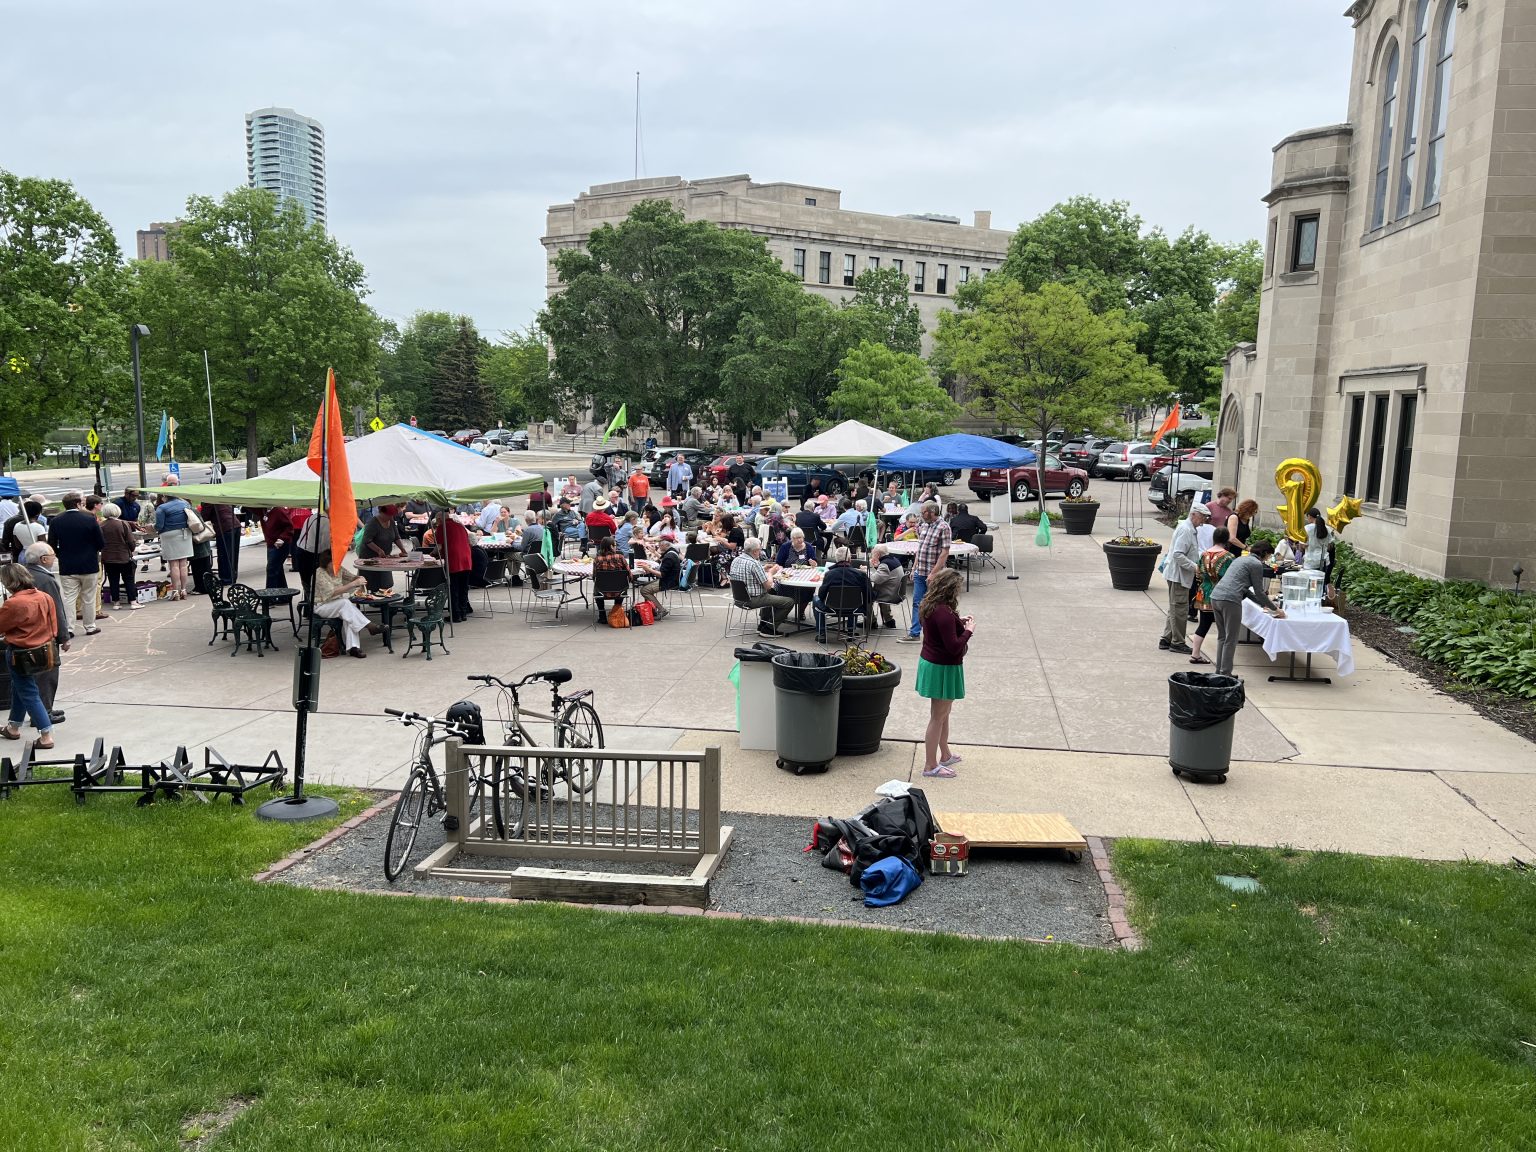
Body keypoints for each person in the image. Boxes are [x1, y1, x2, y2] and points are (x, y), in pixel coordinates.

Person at [914, 567, 971, 779]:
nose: (959, 591)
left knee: (943, 714)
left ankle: (945, 754)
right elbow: (954, 647)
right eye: (957, 588)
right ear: (949, 589)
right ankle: (930, 765)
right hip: (942, 667)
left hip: (932, 663)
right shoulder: (944, 612)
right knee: (938, 716)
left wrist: (959, 622)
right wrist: (968, 631)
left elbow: (942, 630)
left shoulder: (931, 606)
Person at [0, 564, 59, 748]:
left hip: (21, 653)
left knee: (29, 692)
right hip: (44, 650)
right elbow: (54, 624)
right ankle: (13, 727)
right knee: (20, 688)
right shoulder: (44, 596)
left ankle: (46, 735)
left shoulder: (14, 603)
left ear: (8, 582)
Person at [1210, 540, 1284, 677]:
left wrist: (1265, 605)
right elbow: (1259, 591)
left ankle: (1219, 672)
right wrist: (1276, 609)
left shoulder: (1241, 559)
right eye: (1268, 556)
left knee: (1222, 637)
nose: (1268, 559)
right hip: (1230, 600)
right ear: (1265, 554)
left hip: (1216, 597)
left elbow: (1247, 591)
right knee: (1231, 639)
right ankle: (1226, 675)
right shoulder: (1256, 564)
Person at [19, 543, 68, 723]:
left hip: (27, 633)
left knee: (36, 676)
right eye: (52, 554)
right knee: (47, 675)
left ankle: (43, 710)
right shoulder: (45, 579)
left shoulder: (25, 573)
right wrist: (64, 636)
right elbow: (56, 610)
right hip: (44, 635)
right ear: (43, 559)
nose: (54, 557)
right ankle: (43, 713)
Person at [47, 490, 105, 636]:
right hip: (89, 563)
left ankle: (69, 627)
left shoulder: (56, 521)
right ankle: (90, 626)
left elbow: (51, 544)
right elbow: (100, 542)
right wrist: (93, 551)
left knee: (69, 598)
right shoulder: (90, 519)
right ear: (78, 504)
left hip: (67, 564)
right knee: (89, 597)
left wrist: (61, 555)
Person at [898, 502, 951, 644]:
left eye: (923, 512)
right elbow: (920, 549)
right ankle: (914, 633)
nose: (921, 515)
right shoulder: (924, 525)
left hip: (934, 574)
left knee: (936, 604)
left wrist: (934, 573)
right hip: (920, 571)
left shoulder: (943, 527)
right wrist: (914, 567)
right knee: (917, 603)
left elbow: (945, 553)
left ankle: (937, 634)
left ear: (932, 512)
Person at [1158, 502, 1207, 655]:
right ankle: (1177, 642)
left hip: (1178, 575)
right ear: (1193, 515)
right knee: (1180, 609)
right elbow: (1178, 554)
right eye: (1202, 517)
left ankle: (1166, 639)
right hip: (1178, 575)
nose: (1204, 520)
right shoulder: (1186, 530)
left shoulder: (1189, 529)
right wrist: (1195, 567)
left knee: (1175, 607)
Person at [1188, 527, 1241, 666]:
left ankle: (1195, 654)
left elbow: (1198, 573)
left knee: (1203, 624)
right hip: (1221, 594)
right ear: (1227, 539)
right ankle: (1222, 661)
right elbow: (1232, 576)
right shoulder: (1229, 557)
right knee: (1223, 630)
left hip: (1204, 593)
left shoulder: (1204, 554)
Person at [312, 554, 380, 658]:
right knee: (345, 603)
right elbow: (332, 593)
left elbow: (351, 577)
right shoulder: (319, 573)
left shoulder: (339, 569)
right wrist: (353, 584)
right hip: (322, 605)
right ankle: (369, 626)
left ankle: (354, 648)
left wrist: (359, 578)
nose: (337, 564)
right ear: (327, 563)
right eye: (334, 562)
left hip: (337, 604)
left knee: (349, 615)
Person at [729, 537, 795, 637]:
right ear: (755, 551)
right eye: (760, 549)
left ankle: (763, 624)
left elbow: (748, 574)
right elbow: (768, 586)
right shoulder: (754, 563)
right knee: (789, 601)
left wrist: (763, 568)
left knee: (772, 593)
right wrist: (771, 572)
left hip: (738, 599)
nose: (761, 552)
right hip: (753, 599)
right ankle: (769, 629)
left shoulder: (736, 560)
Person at [813, 546, 872, 643]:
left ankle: (822, 633)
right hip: (855, 608)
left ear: (836, 560)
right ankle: (851, 632)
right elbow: (868, 595)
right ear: (849, 559)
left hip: (832, 607)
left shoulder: (830, 574)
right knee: (854, 600)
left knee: (815, 598)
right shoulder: (860, 575)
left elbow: (821, 594)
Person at [359, 505, 409, 591]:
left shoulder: (392, 522)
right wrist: (378, 550)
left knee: (385, 581)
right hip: (370, 556)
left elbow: (396, 537)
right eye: (388, 515)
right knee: (373, 581)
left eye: (392, 515)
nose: (390, 517)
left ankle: (385, 598)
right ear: (381, 512)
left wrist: (403, 550)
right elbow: (367, 541)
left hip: (385, 556)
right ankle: (374, 599)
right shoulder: (373, 523)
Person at [99, 502, 139, 610]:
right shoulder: (123, 524)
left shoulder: (101, 525)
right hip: (123, 556)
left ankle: (116, 602)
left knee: (113, 580)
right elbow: (130, 541)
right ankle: (133, 601)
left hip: (108, 557)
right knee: (128, 579)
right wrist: (132, 548)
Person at [442, 515, 473, 622]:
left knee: (453, 588)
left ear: (439, 519)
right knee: (463, 588)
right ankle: (463, 613)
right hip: (466, 559)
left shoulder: (443, 526)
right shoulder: (460, 525)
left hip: (454, 560)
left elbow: (439, 547)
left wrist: (432, 554)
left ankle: (456, 615)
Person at [868, 543, 905, 629]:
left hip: (890, 595)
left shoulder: (885, 565)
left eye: (873, 553)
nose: (872, 554)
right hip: (898, 592)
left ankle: (870, 621)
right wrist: (877, 567)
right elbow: (885, 576)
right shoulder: (894, 559)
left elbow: (875, 579)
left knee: (866, 595)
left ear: (877, 554)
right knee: (882, 588)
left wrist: (866, 571)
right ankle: (889, 620)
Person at [203, 502, 241, 586]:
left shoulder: (207, 500)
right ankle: (232, 577)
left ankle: (226, 579)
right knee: (233, 554)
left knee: (224, 554)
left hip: (224, 527)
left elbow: (204, 516)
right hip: (235, 524)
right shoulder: (217, 498)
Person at [262, 507, 297, 589]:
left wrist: (282, 538)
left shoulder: (279, 510)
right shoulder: (263, 510)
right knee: (277, 569)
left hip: (280, 544)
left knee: (272, 569)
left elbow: (290, 526)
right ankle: (283, 593)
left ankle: (270, 594)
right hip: (271, 544)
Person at [1302, 507, 1332, 573]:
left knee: (1310, 582)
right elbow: (1329, 546)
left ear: (1309, 516)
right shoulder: (1328, 529)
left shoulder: (1306, 529)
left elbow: (1304, 546)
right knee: (1321, 582)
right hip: (1324, 561)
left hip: (1310, 562)